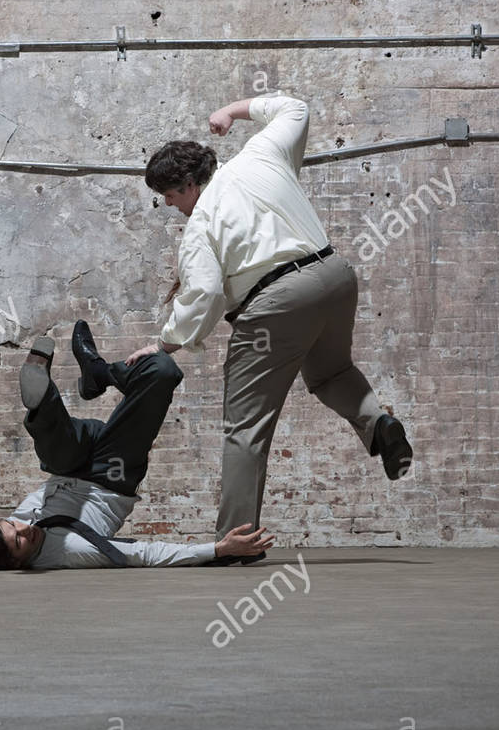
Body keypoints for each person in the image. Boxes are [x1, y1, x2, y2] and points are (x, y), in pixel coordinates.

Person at [127, 90, 413, 565]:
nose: (172, 207)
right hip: (334, 277)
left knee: (245, 429)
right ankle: (378, 423)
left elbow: (204, 296)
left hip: (276, 304)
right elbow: (295, 108)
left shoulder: (201, 224)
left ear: (185, 185)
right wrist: (231, 111)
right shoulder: (259, 154)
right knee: (330, 373)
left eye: (170, 197)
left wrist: (163, 344)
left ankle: (235, 545)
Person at [0, 323, 273, 571]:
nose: (26, 529)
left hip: (71, 458)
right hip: (112, 474)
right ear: (18, 564)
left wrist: (18, 524)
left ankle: (49, 400)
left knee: (57, 453)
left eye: (14, 524)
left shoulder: (19, 522)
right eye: (19, 543)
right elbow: (143, 554)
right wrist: (218, 549)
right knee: (162, 370)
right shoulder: (73, 552)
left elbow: (21, 519)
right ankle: (98, 373)